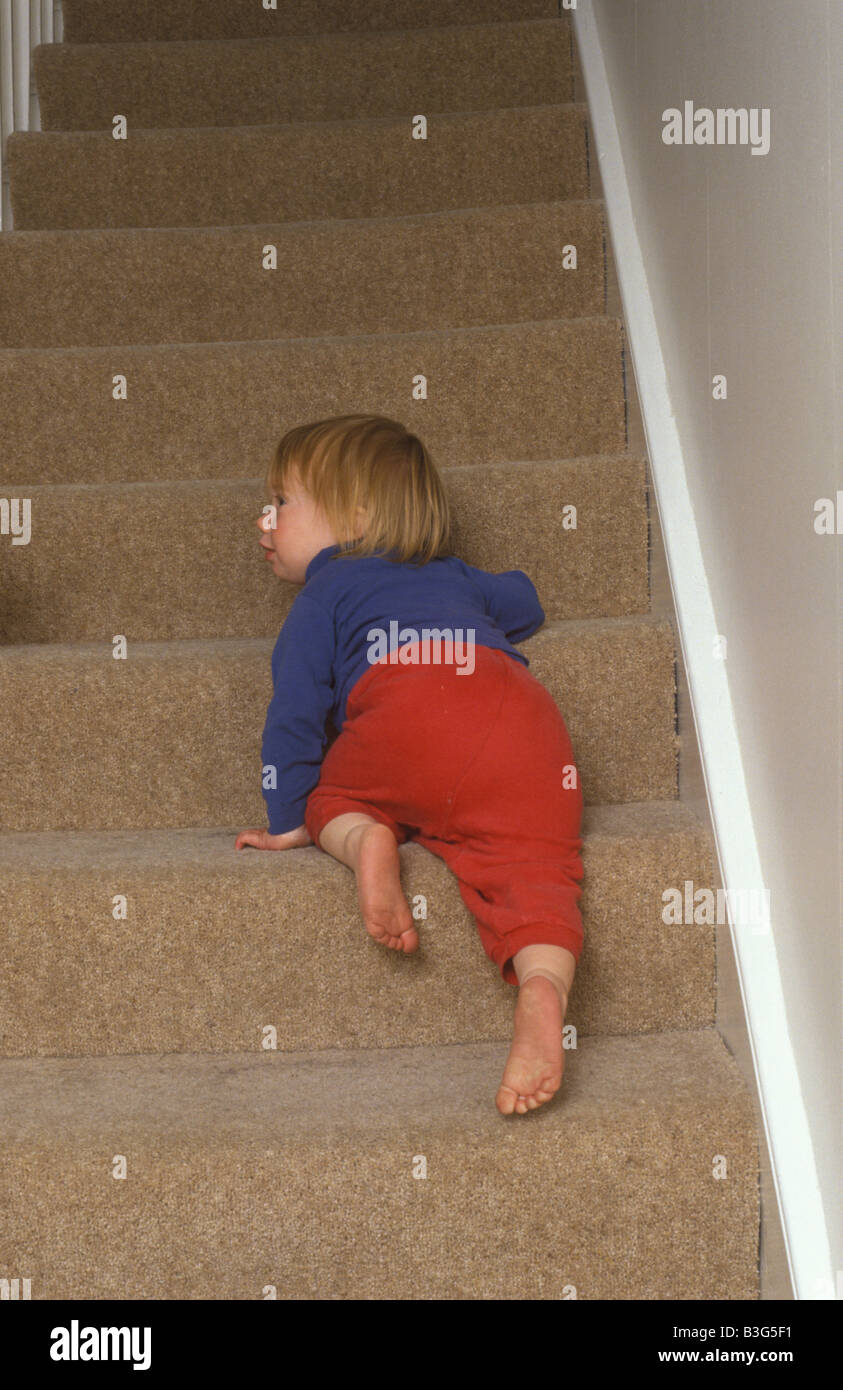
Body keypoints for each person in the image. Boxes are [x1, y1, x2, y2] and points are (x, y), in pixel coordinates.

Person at [235, 414, 584, 1114]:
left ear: (357, 517)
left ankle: (366, 838)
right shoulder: (453, 574)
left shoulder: (324, 593)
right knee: (538, 866)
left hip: (403, 710)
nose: (262, 520)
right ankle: (543, 982)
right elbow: (528, 599)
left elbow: (294, 715)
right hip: (519, 720)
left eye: (281, 502)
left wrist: (293, 816)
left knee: (333, 798)